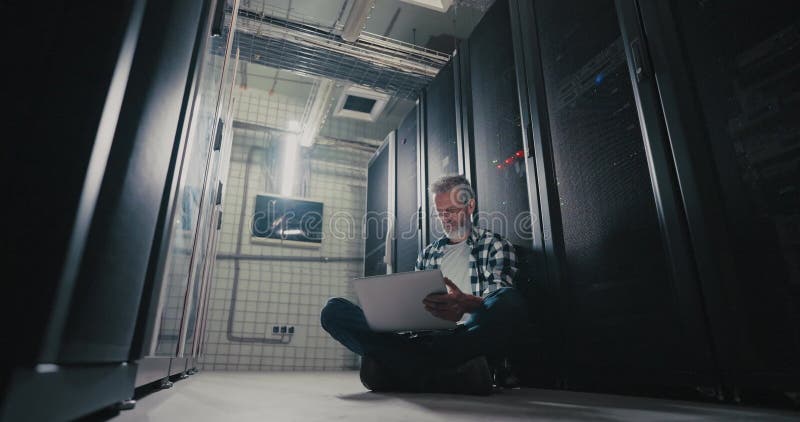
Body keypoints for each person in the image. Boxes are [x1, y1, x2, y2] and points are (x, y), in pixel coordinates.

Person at [320, 175, 527, 395]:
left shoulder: (494, 245)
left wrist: (464, 303)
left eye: (452, 210)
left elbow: (497, 299)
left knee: (510, 301)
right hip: (421, 340)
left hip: (463, 340)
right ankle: (452, 376)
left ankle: (401, 371)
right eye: (440, 213)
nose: (445, 218)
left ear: (470, 206)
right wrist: (396, 314)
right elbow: (416, 306)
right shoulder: (428, 254)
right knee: (333, 311)